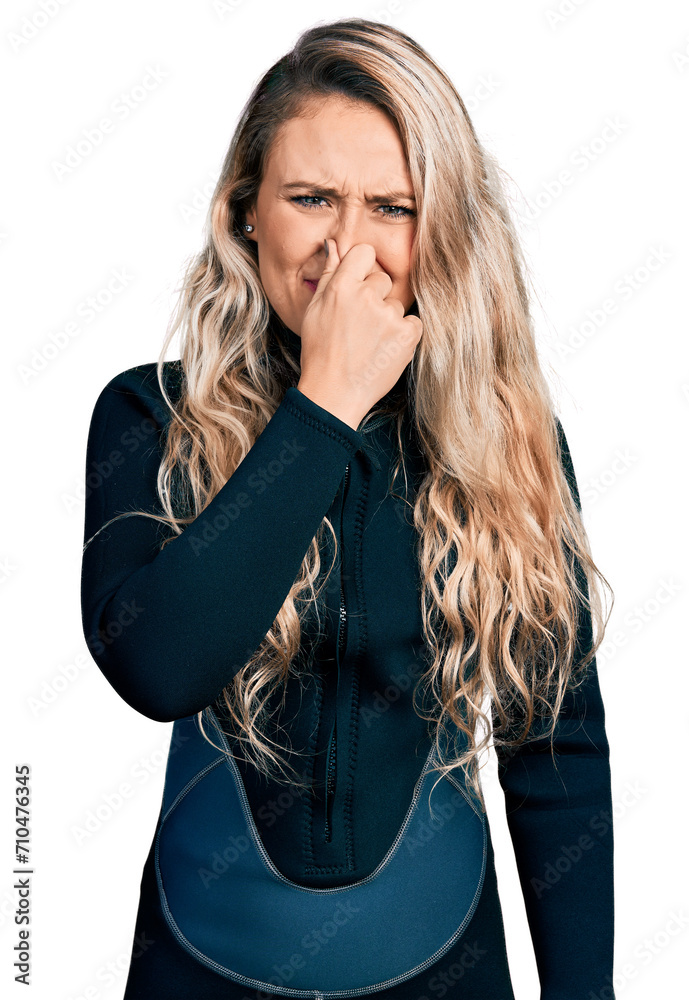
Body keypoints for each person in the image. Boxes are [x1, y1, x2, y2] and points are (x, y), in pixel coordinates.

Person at [80, 17, 615, 1000]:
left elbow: (555, 750)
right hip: (201, 961)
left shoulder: (506, 434)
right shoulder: (147, 416)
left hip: (445, 961)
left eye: (391, 207)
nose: (349, 245)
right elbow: (157, 666)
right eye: (311, 198)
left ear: (440, 227)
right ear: (245, 214)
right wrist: (321, 407)